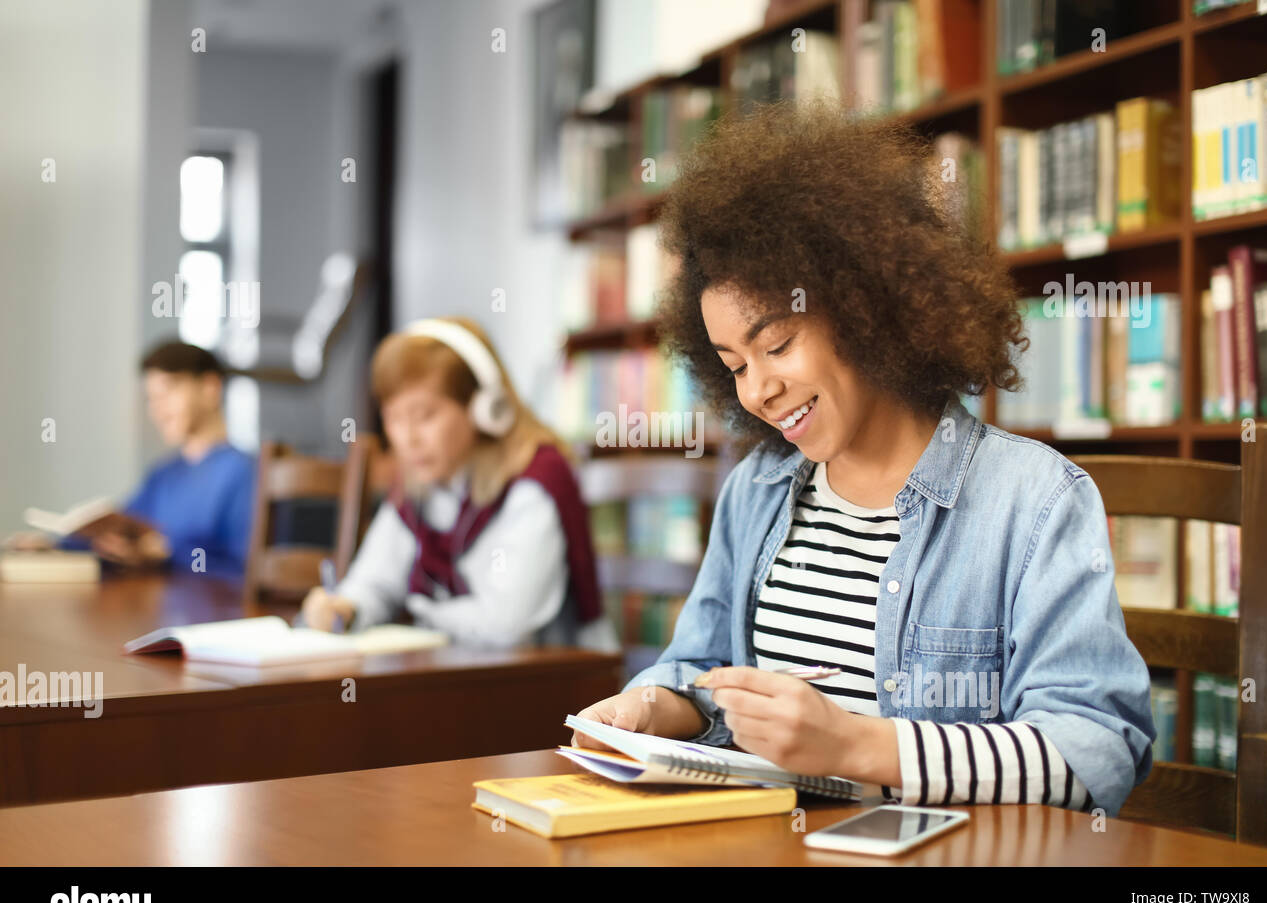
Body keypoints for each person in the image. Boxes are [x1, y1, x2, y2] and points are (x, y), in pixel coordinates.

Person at [571, 100, 1155, 817]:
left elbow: (1096, 753)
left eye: (777, 345)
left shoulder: (1033, 501)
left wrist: (856, 747)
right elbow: (700, 669)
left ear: (865, 306)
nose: (758, 391)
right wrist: (651, 708)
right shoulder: (757, 489)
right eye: (733, 366)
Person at [300, 316, 617, 651]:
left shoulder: (537, 479)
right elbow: (374, 580)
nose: (407, 439)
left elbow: (505, 625)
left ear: (484, 408)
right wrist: (345, 607)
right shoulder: (423, 481)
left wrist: (418, 609)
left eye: (424, 416)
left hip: (550, 687)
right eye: (393, 418)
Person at [24, 341, 256, 577]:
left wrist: (168, 553)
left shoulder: (244, 472)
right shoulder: (164, 475)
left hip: (214, 611)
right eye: (152, 398)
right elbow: (123, 529)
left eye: (168, 392)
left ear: (210, 388)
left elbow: (247, 573)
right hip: (154, 607)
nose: (158, 409)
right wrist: (54, 545)